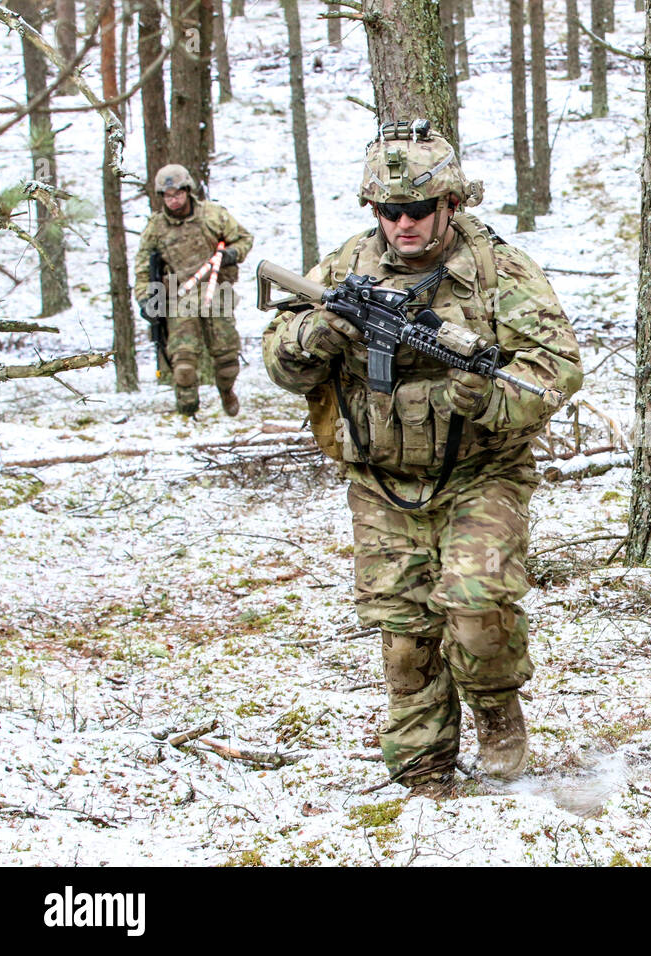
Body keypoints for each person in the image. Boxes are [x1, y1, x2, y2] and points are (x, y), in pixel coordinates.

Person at [262, 121, 583, 799]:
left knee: (476, 608)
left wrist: (490, 395)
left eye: (418, 210)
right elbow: (280, 357)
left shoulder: (500, 270)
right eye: (389, 211)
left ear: (451, 205)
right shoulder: (345, 265)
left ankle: (496, 710)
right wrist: (322, 331)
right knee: (405, 635)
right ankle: (424, 773)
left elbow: (556, 368)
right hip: (381, 482)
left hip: (481, 473)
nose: (403, 224)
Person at [134, 164, 253, 416]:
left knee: (226, 358)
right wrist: (145, 300)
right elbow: (143, 268)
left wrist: (232, 254)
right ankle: (187, 411)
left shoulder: (212, 215)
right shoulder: (155, 228)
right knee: (183, 364)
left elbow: (244, 238)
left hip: (216, 293)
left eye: (177, 193)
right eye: (167, 196)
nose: (173, 200)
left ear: (187, 191)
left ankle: (226, 392)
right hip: (179, 298)